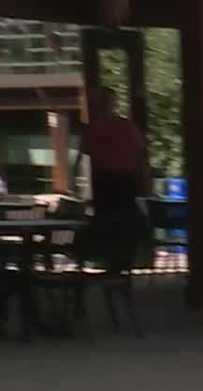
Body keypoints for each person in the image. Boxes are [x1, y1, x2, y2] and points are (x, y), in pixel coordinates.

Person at [73, 87, 149, 270]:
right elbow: (141, 154)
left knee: (117, 221)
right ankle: (116, 260)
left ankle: (116, 260)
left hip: (114, 181)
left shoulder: (119, 127)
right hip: (111, 181)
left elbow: (140, 155)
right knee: (115, 221)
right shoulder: (106, 128)